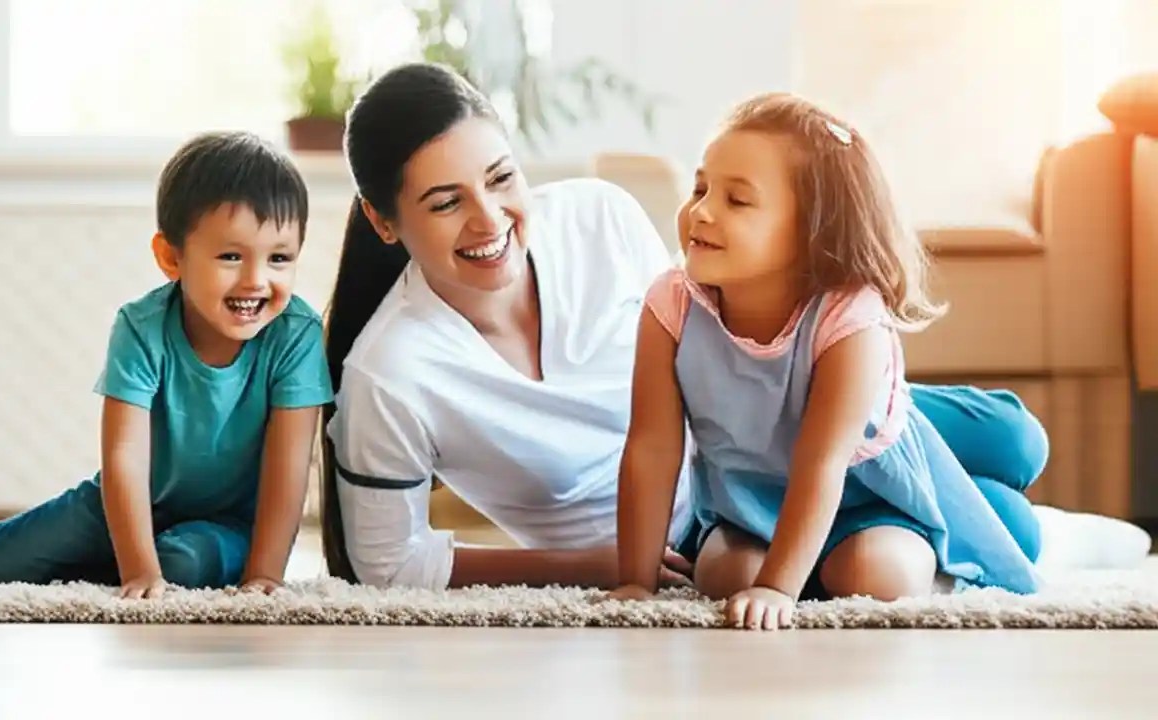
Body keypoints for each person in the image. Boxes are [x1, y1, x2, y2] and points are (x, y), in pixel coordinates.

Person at [320, 63, 1143, 593]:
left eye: (500, 177)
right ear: (383, 221)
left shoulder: (598, 218)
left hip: (790, 419)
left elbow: (720, 350)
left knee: (1014, 443)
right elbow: (393, 565)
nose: (489, 217)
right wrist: (607, 569)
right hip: (729, 491)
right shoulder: (390, 375)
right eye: (443, 202)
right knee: (967, 535)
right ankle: (1041, 533)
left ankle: (996, 497)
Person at [606, 93, 1074, 629]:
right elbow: (651, 446)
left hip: (863, 487)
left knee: (880, 576)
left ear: (813, 233)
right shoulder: (672, 301)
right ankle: (824, 546)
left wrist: (780, 590)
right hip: (750, 494)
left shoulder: (850, 315)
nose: (703, 210)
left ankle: (980, 532)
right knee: (727, 577)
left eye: (737, 200)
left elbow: (821, 462)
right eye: (700, 188)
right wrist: (636, 582)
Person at [0, 131, 333, 599]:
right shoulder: (141, 326)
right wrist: (137, 568)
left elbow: (289, 467)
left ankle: (132, 560)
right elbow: (124, 458)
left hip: (227, 522)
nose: (256, 280)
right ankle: (124, 556)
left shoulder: (296, 333)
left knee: (180, 564)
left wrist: (264, 575)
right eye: (231, 256)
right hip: (124, 504)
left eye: (279, 258)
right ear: (171, 257)